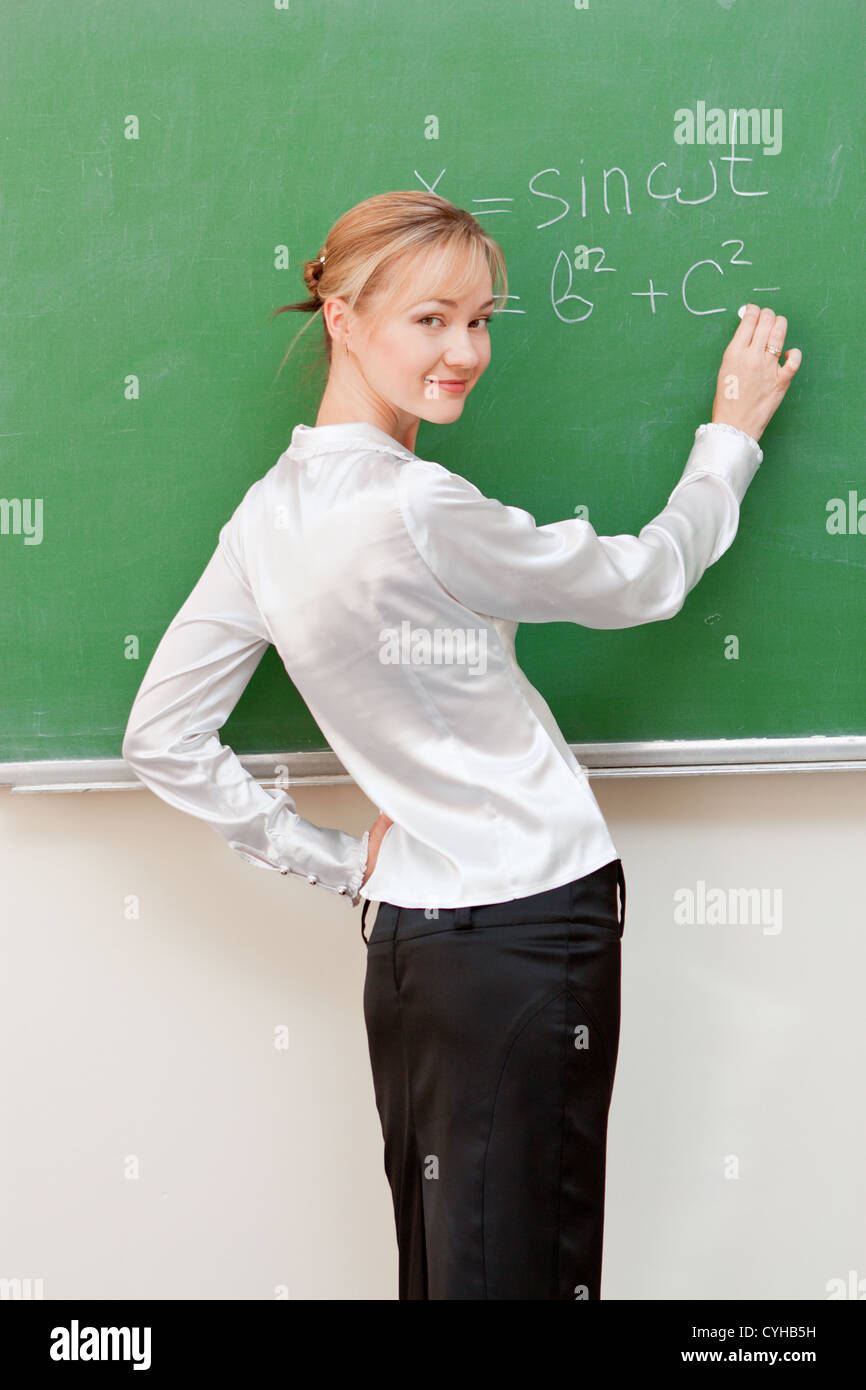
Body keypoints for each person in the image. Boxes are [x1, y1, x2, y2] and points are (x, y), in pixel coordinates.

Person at [122, 190, 801, 1300]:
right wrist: (727, 439)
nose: (466, 352)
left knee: (449, 1268)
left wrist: (340, 861)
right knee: (523, 1272)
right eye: (430, 320)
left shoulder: (263, 518)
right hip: (531, 930)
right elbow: (643, 581)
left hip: (409, 954)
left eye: (481, 319)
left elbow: (160, 735)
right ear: (341, 318)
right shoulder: (419, 505)